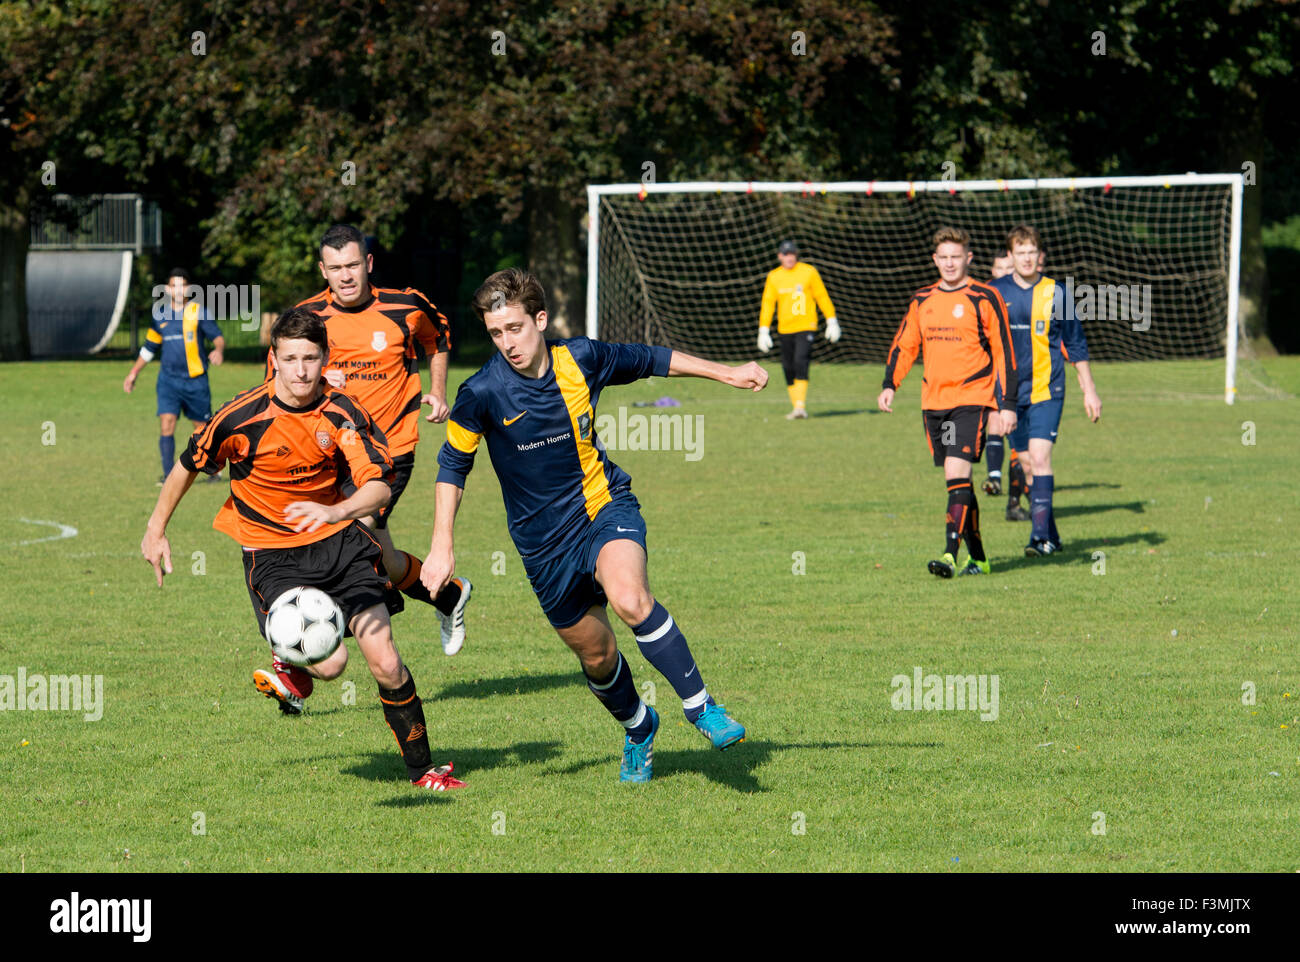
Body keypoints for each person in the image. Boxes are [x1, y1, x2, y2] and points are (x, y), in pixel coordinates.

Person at [423, 268, 766, 782]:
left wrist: (727, 372)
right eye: (496, 333)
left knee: (630, 598)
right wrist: (441, 545)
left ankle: (702, 708)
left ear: (540, 319)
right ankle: (639, 728)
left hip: (603, 508)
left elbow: (652, 359)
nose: (508, 343)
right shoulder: (481, 392)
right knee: (598, 655)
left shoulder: (581, 358)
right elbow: (453, 463)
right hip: (542, 547)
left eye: (515, 328)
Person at [140, 307, 465, 790]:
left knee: (386, 659)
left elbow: (378, 485)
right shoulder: (240, 416)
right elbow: (189, 463)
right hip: (270, 554)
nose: (300, 371)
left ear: (325, 357)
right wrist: (156, 528)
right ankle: (289, 657)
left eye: (310, 358)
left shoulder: (342, 411)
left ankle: (424, 773)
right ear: (274, 358)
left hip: (339, 543)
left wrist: (336, 512)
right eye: (290, 358)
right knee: (332, 664)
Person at [256, 226, 472, 717]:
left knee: (346, 537)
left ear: (368, 263)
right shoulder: (308, 319)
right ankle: (447, 593)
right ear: (323, 271)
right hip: (331, 456)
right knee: (384, 557)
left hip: (389, 453)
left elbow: (437, 339)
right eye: (334, 268)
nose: (344, 276)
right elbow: (277, 385)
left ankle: (295, 668)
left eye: (352, 265)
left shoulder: (405, 305)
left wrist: (437, 390)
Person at [877, 227, 1019, 578]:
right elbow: (905, 344)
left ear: (968, 259)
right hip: (934, 402)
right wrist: (890, 384)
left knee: (958, 473)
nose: (951, 263)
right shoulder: (922, 300)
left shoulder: (984, 297)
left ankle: (949, 554)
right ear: (935, 260)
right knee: (959, 484)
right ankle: (980, 558)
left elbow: (1004, 351)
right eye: (944, 257)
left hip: (970, 399)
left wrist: (1007, 403)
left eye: (957, 257)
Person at [990, 225, 1102, 555]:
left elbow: (1076, 344)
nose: (1026, 258)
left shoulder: (1059, 293)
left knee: (1040, 458)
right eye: (1019, 252)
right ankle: (1052, 533)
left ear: (1041, 257)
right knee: (1026, 466)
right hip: (1009, 395)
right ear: (1010, 257)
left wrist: (1089, 390)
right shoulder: (993, 293)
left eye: (1032, 252)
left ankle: (1039, 539)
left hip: (1047, 390)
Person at [123, 268, 225, 485]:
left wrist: (218, 350)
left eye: (182, 285)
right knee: (167, 423)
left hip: (195, 380)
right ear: (167, 289)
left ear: (188, 288)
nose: (178, 290)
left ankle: (213, 470)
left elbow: (218, 338)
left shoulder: (199, 312)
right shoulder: (160, 315)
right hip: (168, 381)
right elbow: (149, 348)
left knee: (202, 428)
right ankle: (169, 474)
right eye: (174, 285)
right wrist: (133, 373)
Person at [756, 239, 840, 419]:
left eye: (792, 253)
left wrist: (831, 319)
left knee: (801, 360)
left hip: (806, 326)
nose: (789, 257)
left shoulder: (808, 272)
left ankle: (800, 406)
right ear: (780, 256)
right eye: (786, 254)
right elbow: (768, 304)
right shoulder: (774, 276)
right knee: (788, 367)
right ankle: (796, 407)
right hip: (785, 329)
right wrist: (763, 330)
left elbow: (822, 296)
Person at [982, 253, 1030, 517]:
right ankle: (995, 478)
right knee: (996, 423)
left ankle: (1014, 500)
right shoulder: (985, 294)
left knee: (1018, 441)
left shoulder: (1024, 296)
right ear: (992, 269)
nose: (1003, 273)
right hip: (990, 374)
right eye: (999, 268)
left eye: (1008, 268)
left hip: (1022, 375)